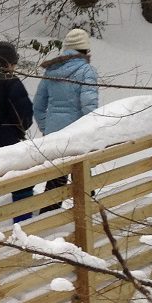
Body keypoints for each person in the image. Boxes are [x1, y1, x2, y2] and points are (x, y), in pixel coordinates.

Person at [33, 29, 100, 210]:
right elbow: (89, 106)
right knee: (84, 179)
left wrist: (48, 128)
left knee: (56, 181)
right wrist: (94, 130)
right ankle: (90, 218)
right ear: (85, 50)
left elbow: (38, 106)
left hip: (56, 137)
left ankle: (46, 222)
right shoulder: (87, 71)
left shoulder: (51, 71)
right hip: (78, 135)